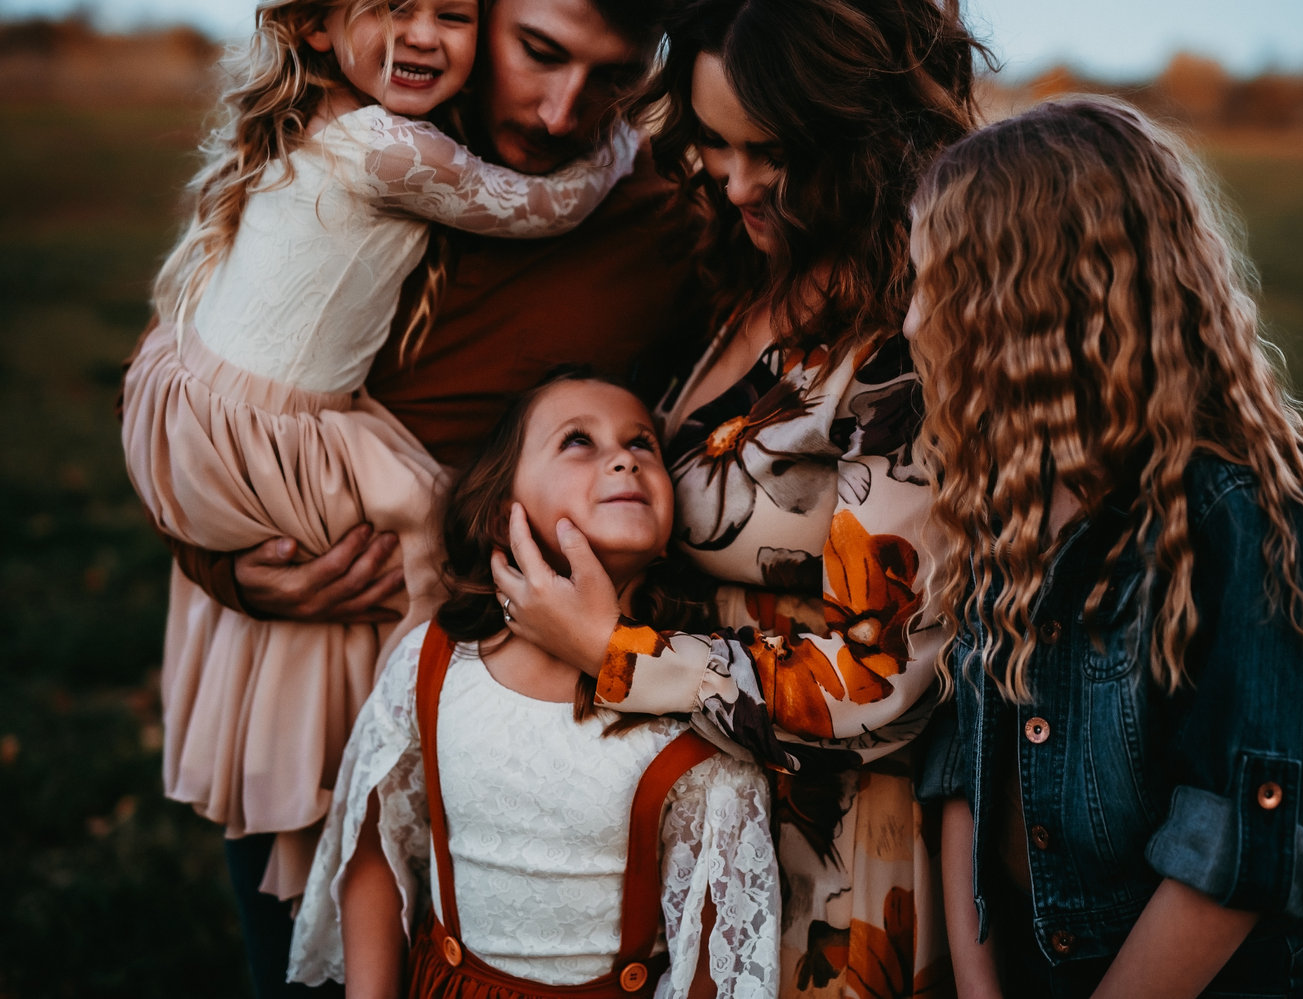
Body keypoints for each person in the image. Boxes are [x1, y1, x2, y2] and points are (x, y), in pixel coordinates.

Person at [118, 0, 689, 994]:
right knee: (310, 965)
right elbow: (203, 378)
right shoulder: (355, 131)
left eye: (612, 77)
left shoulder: (666, 225)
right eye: (540, 52)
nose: (563, 113)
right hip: (303, 657)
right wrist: (228, 563)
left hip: (504, 703)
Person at [490, 1, 990, 993]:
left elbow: (884, 682)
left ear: (867, 138)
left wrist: (615, 654)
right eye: (714, 141)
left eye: (773, 151)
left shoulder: (905, 346)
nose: (736, 178)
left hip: (825, 860)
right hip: (698, 816)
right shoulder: (746, 274)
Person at [904, 96, 1303, 997]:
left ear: (1036, 306)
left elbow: (1234, 856)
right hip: (1021, 968)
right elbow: (962, 760)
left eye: (938, 289)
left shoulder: (1252, 522)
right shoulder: (1006, 498)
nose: (911, 324)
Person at [286, 370, 779, 998]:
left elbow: (715, 954)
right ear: (500, 513)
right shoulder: (434, 664)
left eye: (642, 443)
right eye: (579, 441)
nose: (624, 460)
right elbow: (373, 848)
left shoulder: (694, 713)